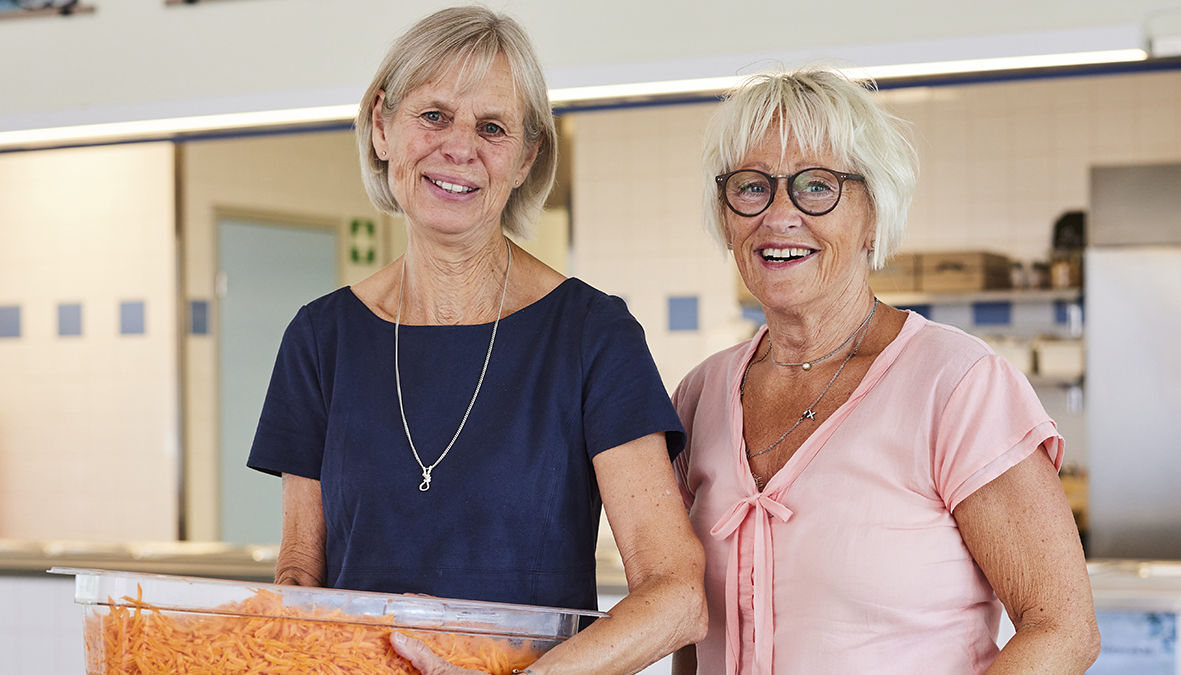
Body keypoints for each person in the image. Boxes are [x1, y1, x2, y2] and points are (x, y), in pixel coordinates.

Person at [246, 7, 706, 674]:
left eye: (491, 128)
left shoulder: (592, 336)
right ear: (381, 124)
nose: (458, 147)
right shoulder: (320, 338)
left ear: (525, 157)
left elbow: (676, 595)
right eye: (433, 115)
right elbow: (299, 572)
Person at [670, 68, 1100, 675]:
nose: (779, 214)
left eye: (817, 186)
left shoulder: (956, 384)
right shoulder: (700, 394)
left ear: (874, 213)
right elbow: (691, 631)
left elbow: (1062, 629)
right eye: (750, 187)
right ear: (726, 215)